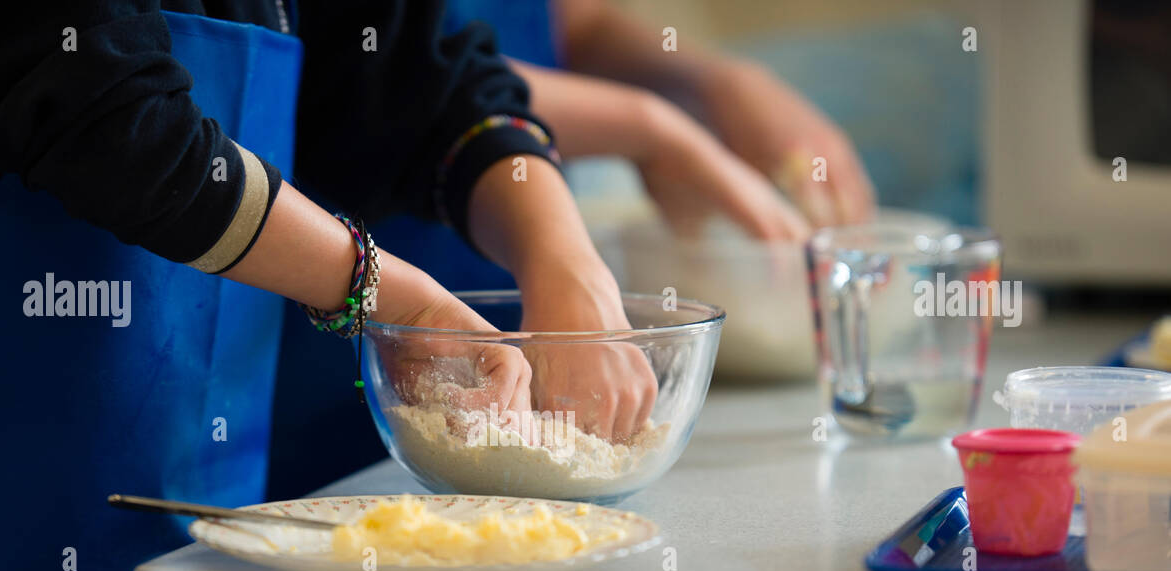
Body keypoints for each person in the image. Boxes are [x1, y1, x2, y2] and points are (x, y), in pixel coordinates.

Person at [0, 0, 646, 571]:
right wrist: (381, 290)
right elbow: (109, 116)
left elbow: (427, 80)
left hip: (187, 554)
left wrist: (566, 263)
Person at [269, 0, 878, 498]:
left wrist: (701, 85)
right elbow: (370, 74)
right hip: (333, 292)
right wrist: (647, 127)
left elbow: (546, 35)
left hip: (510, 218)